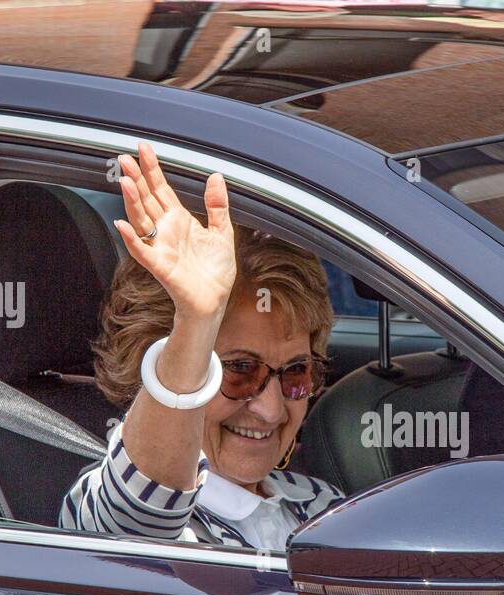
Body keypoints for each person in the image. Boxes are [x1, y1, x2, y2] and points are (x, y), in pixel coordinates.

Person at [60, 143, 344, 549]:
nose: (273, 409)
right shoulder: (136, 513)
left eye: (296, 372)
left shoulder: (323, 505)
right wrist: (196, 318)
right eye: (241, 370)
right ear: (158, 356)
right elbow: (139, 516)